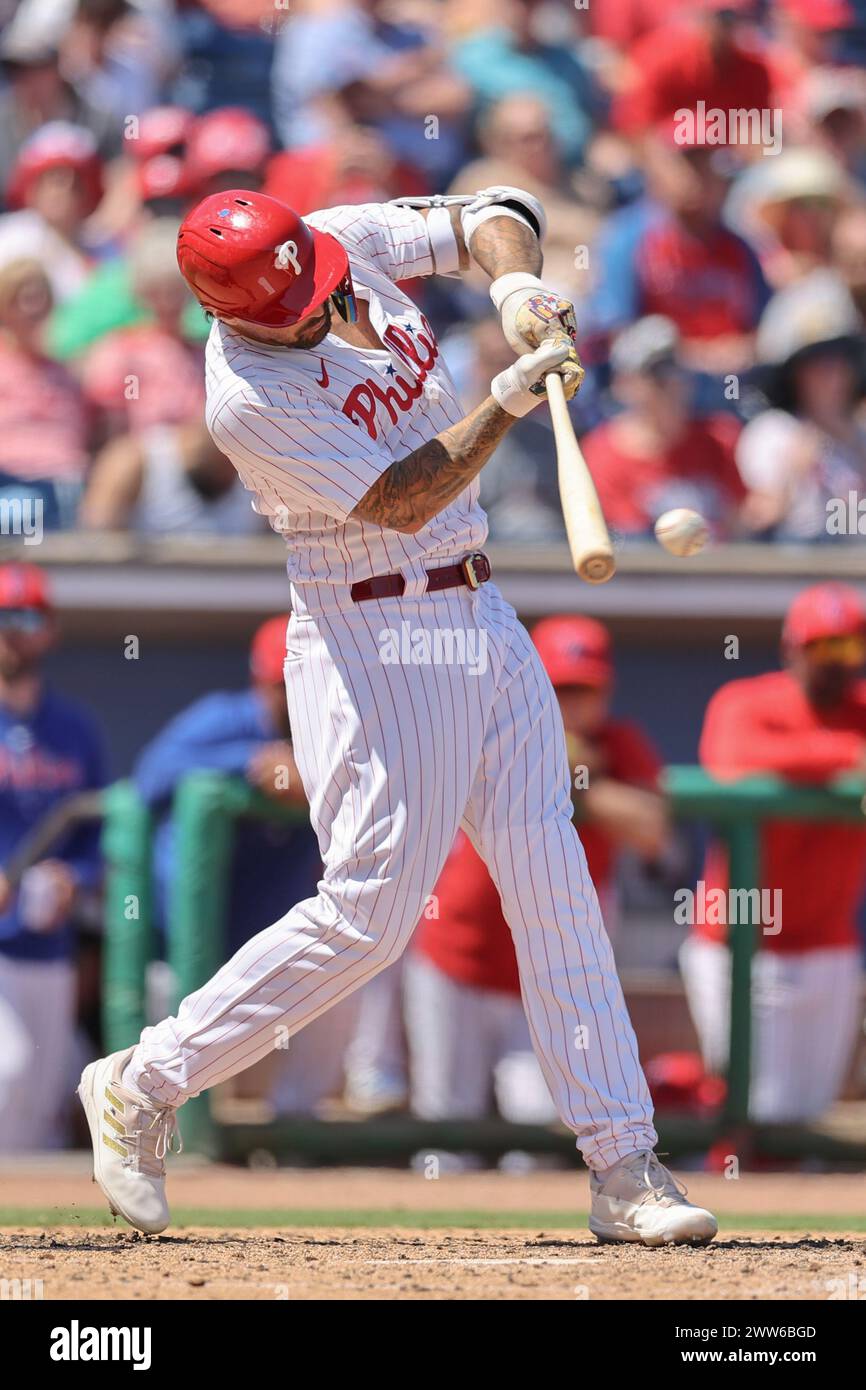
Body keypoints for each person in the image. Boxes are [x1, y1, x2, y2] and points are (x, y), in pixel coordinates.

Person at [78, 181, 717, 1246]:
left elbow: (487, 210)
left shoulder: (321, 243)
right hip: (367, 629)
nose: (321, 306)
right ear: (227, 311)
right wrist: (508, 396)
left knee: (549, 875)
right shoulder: (244, 394)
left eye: (316, 287)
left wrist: (513, 284)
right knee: (371, 915)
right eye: (291, 306)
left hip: (476, 602)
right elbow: (402, 495)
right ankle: (143, 1081)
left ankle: (622, 1163)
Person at [407, 614, 669, 1125]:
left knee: (538, 1124)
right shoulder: (487, 726)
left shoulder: (618, 744)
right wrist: (545, 760)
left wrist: (583, 782)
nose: (571, 706)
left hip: (548, 973)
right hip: (456, 956)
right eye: (560, 690)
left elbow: (652, 828)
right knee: (444, 1126)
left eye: (583, 691)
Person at [133, 614, 358, 1115]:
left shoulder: (334, 731)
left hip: (275, 945)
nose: (297, 694)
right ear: (261, 681)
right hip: (187, 946)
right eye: (284, 684)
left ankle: (297, 1143)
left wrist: (313, 773)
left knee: (344, 989)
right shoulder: (225, 718)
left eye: (307, 681)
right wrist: (252, 760)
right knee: (166, 1080)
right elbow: (149, 776)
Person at [683, 583, 866, 1122]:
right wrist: (846, 757)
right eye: (823, 647)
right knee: (754, 1112)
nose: (838, 663)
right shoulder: (746, 700)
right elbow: (732, 760)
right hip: (739, 945)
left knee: (804, 1118)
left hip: (829, 946)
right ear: (792, 649)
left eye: (850, 649)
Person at [0, 563, 107, 1150]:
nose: (15, 631)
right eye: (5, 617)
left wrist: (75, 878)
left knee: (44, 1097)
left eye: (28, 617)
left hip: (53, 946)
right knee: (8, 1071)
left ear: (49, 629)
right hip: (0, 945)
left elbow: (101, 841)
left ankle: (30, 1238)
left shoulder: (74, 729)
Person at [582, 316, 746, 540]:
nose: (673, 382)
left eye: (677, 369)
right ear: (625, 384)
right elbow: (630, 542)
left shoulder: (720, 437)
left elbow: (740, 523)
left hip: (716, 570)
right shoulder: (602, 452)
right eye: (658, 373)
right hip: (645, 572)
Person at [736, 269, 866, 541]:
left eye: (840, 360)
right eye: (817, 363)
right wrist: (793, 474)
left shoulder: (861, 437)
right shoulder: (771, 433)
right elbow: (754, 528)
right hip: (794, 573)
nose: (832, 373)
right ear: (795, 374)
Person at [0, 257, 90, 530]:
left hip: (72, 487)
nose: (33, 308)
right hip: (13, 487)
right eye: (22, 300)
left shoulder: (68, 373)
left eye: (41, 299)